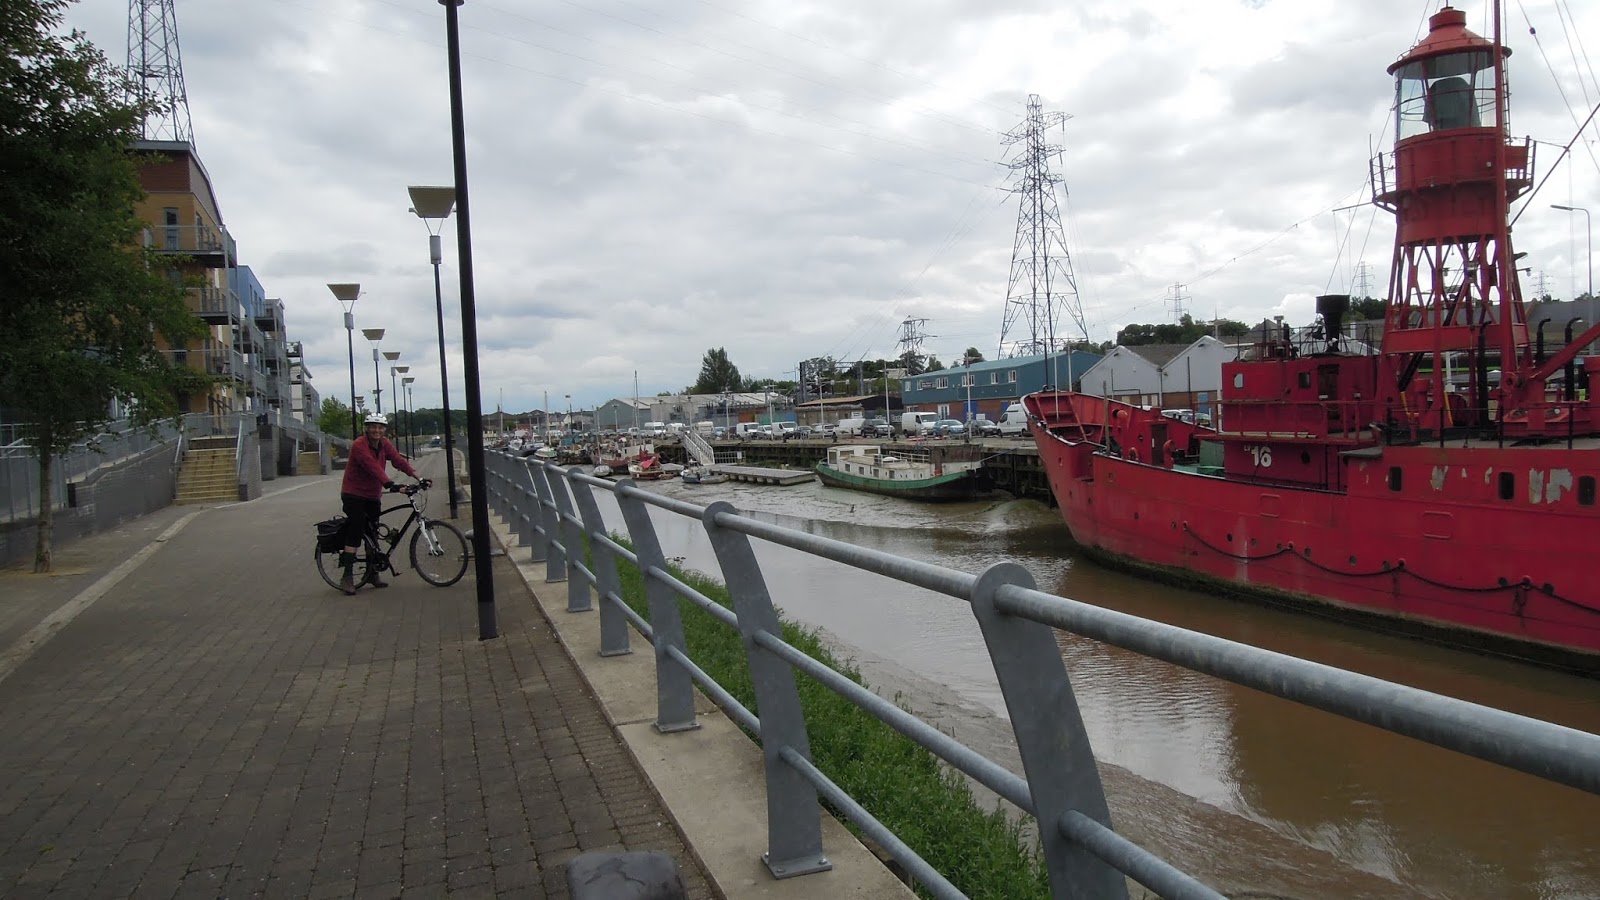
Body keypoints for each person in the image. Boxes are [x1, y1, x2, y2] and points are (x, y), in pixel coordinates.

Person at [337, 413, 422, 595]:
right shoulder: (359, 445)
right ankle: (347, 577)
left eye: (380, 427)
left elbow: (398, 460)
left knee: (373, 533)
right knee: (356, 529)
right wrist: (391, 484)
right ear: (367, 428)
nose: (377, 430)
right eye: (373, 427)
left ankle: (371, 574)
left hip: (373, 495)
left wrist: (418, 477)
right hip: (354, 494)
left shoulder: (384, 443)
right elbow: (372, 467)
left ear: (384, 430)